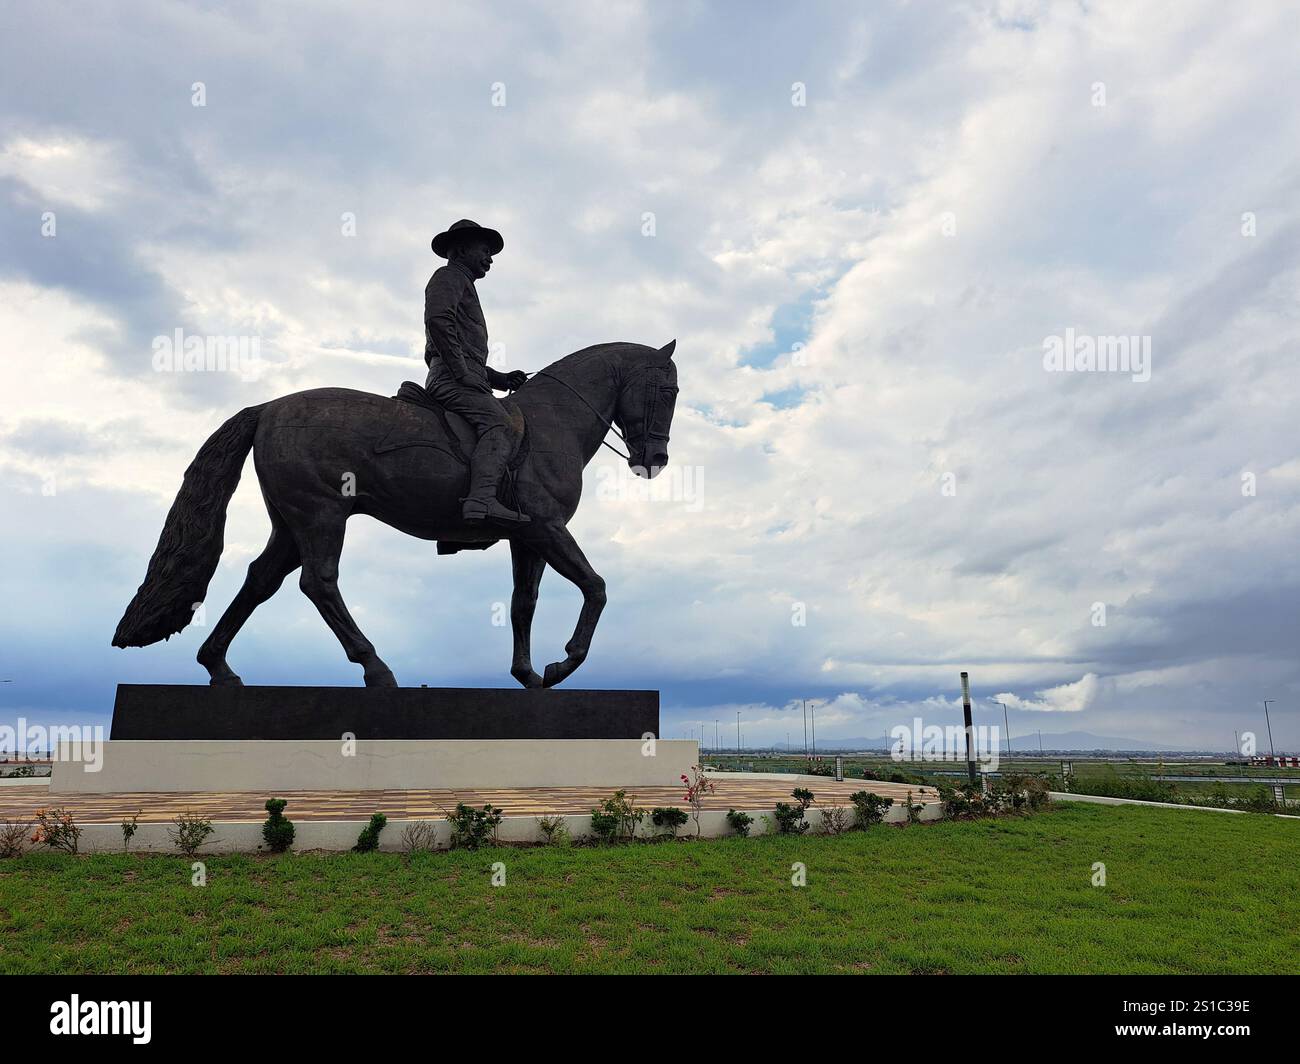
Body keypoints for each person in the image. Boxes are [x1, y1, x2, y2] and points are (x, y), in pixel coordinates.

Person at [423, 219, 530, 526]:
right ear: (460, 250)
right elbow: (438, 322)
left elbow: (466, 352)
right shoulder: (448, 277)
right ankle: (481, 500)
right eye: (484, 250)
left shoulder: (462, 283)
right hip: (451, 379)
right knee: (500, 424)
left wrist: (499, 378)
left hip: (463, 376)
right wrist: (461, 373)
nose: (490, 257)